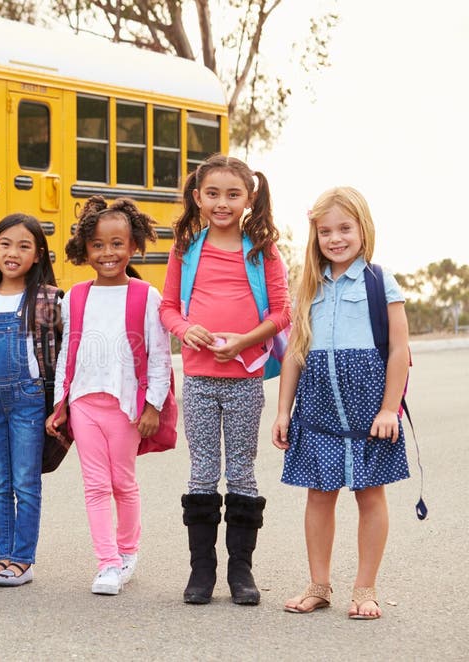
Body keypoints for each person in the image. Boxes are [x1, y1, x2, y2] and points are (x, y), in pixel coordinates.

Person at [273, 187, 409, 620]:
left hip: (370, 409)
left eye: (344, 228)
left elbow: (400, 351)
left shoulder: (379, 280)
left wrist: (389, 408)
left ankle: (365, 589)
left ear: (362, 229)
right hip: (318, 409)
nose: (335, 238)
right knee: (319, 496)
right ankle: (319, 585)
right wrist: (282, 411)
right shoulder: (308, 286)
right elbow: (295, 353)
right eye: (325, 231)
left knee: (370, 496)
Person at [160, 153, 290, 605]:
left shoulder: (263, 250)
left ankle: (241, 572)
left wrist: (243, 342)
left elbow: (282, 312)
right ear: (197, 198)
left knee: (241, 468)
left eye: (233, 195)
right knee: (201, 469)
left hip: (244, 378)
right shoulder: (185, 250)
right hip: (198, 378)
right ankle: (202, 572)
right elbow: (168, 309)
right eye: (212, 194)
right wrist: (185, 329)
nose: (222, 203)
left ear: (249, 198)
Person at [45, 197, 171, 596]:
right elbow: (68, 353)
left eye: (117, 244)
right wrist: (59, 404)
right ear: (85, 250)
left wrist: (152, 404)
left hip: (126, 406)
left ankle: (128, 551)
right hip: (84, 402)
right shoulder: (76, 296)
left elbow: (159, 356)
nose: (108, 253)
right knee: (95, 484)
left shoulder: (146, 295)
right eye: (98, 245)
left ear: (133, 246)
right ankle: (107, 562)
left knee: (123, 482)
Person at [0, 214, 60, 587]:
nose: (13, 252)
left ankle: (23, 559)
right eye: (5, 244)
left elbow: (65, 350)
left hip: (28, 398)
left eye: (24, 246)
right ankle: (3, 556)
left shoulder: (48, 299)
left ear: (38, 255)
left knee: (25, 481)